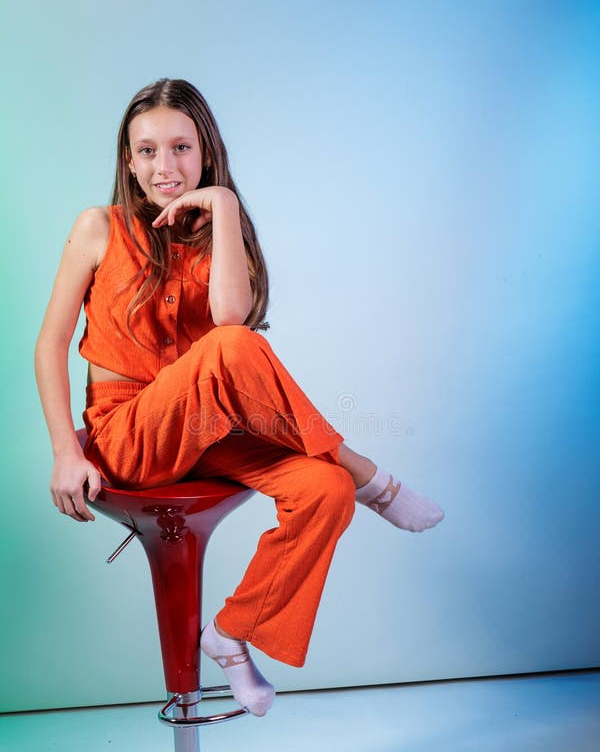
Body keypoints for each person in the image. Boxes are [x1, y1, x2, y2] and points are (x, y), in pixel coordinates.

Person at [35, 78, 444, 718]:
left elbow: (229, 313)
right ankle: (372, 477)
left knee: (323, 490)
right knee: (232, 349)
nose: (163, 167)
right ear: (128, 160)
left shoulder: (224, 229)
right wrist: (64, 451)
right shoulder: (98, 228)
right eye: (146, 151)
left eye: (180, 148)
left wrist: (222, 204)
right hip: (129, 437)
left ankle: (230, 635)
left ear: (206, 152)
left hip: (208, 429)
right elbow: (49, 345)